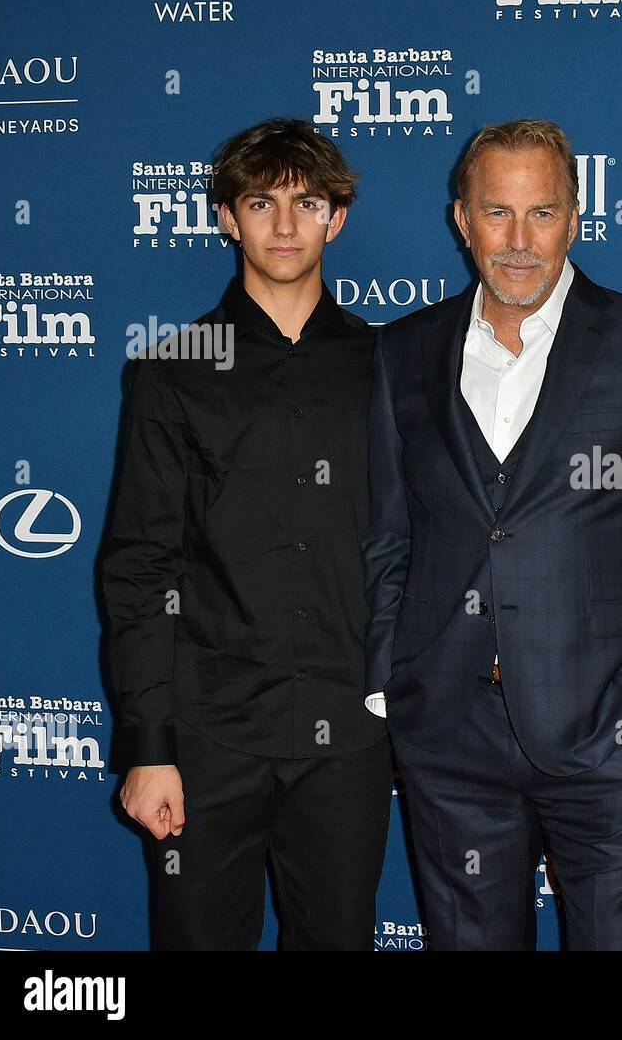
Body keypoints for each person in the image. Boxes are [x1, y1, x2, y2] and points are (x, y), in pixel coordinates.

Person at [361, 119, 622, 950]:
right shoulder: (404, 350)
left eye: (542, 212)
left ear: (576, 218)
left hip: (608, 735)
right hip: (448, 733)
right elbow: (388, 532)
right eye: (497, 212)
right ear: (463, 219)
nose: (519, 240)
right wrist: (392, 685)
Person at [104, 118, 392, 950]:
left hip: (347, 737)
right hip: (207, 737)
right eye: (262, 203)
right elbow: (141, 567)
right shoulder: (172, 372)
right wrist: (149, 747)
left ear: (337, 218)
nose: (285, 224)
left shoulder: (391, 368)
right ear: (227, 218)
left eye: (308, 203)